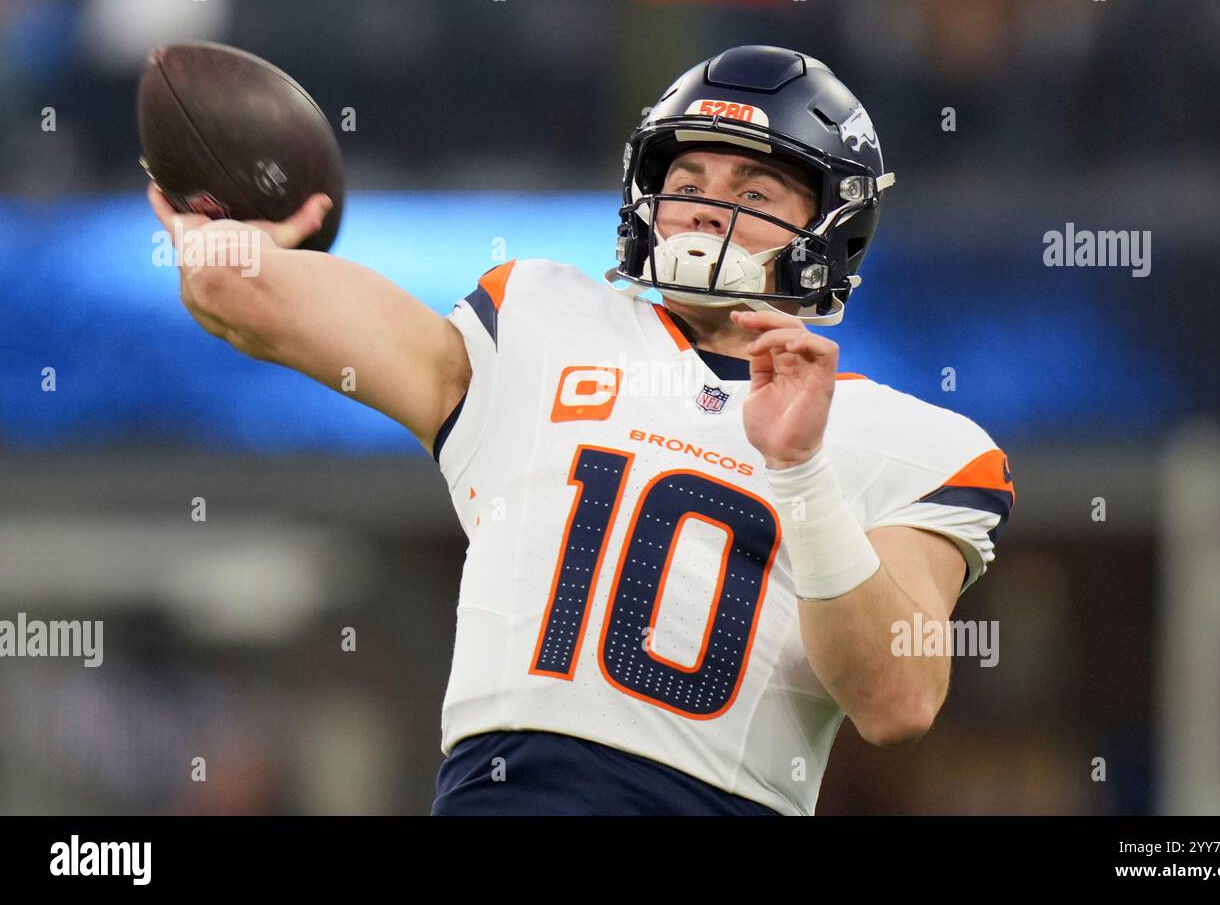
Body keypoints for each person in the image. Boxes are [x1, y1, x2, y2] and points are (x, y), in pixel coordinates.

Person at [149, 45, 1014, 816]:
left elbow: (898, 702)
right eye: (687, 186)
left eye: (752, 191)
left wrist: (800, 473)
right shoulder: (538, 320)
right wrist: (222, 248)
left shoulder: (917, 441)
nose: (708, 213)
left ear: (832, 222)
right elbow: (257, 295)